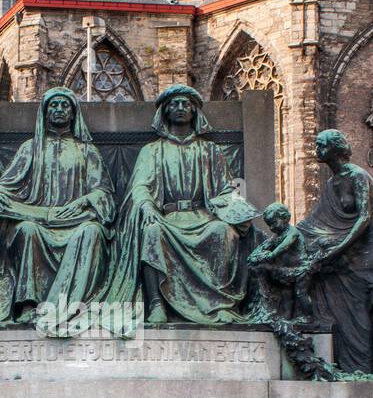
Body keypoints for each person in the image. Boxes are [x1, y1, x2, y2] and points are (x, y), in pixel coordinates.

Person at [108, 84, 261, 325]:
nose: (180, 108)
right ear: (166, 112)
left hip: (203, 216)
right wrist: (147, 207)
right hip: (169, 218)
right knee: (152, 232)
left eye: (185, 104)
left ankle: (217, 304)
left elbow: (225, 189)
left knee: (223, 232)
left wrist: (238, 210)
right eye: (174, 104)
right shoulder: (152, 150)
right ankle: (157, 305)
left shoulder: (210, 151)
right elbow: (140, 187)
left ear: (194, 112)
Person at [0, 87, 115, 329]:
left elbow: (103, 192)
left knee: (92, 232)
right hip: (38, 222)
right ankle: (29, 305)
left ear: (73, 113)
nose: (59, 110)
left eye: (65, 106)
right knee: (27, 230)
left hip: (76, 222)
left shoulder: (87, 150)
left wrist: (84, 201)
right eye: (54, 105)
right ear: (45, 112)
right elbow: (4, 186)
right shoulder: (30, 148)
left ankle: (75, 306)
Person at [298, 130, 373, 372]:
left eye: (320, 145)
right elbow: (317, 221)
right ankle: (337, 359)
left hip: (370, 248)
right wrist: (291, 236)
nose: (316, 150)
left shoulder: (357, 176)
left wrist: (337, 249)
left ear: (335, 149)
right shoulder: (331, 183)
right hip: (347, 245)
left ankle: (362, 365)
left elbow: (364, 218)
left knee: (355, 300)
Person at [249, 202, 314, 321]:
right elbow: (264, 246)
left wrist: (272, 254)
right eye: (269, 225)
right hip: (286, 271)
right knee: (286, 295)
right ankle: (286, 317)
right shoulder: (276, 236)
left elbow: (284, 245)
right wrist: (255, 256)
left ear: (285, 218)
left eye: (274, 223)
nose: (272, 228)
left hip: (301, 269)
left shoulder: (292, 232)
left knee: (300, 293)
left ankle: (308, 316)